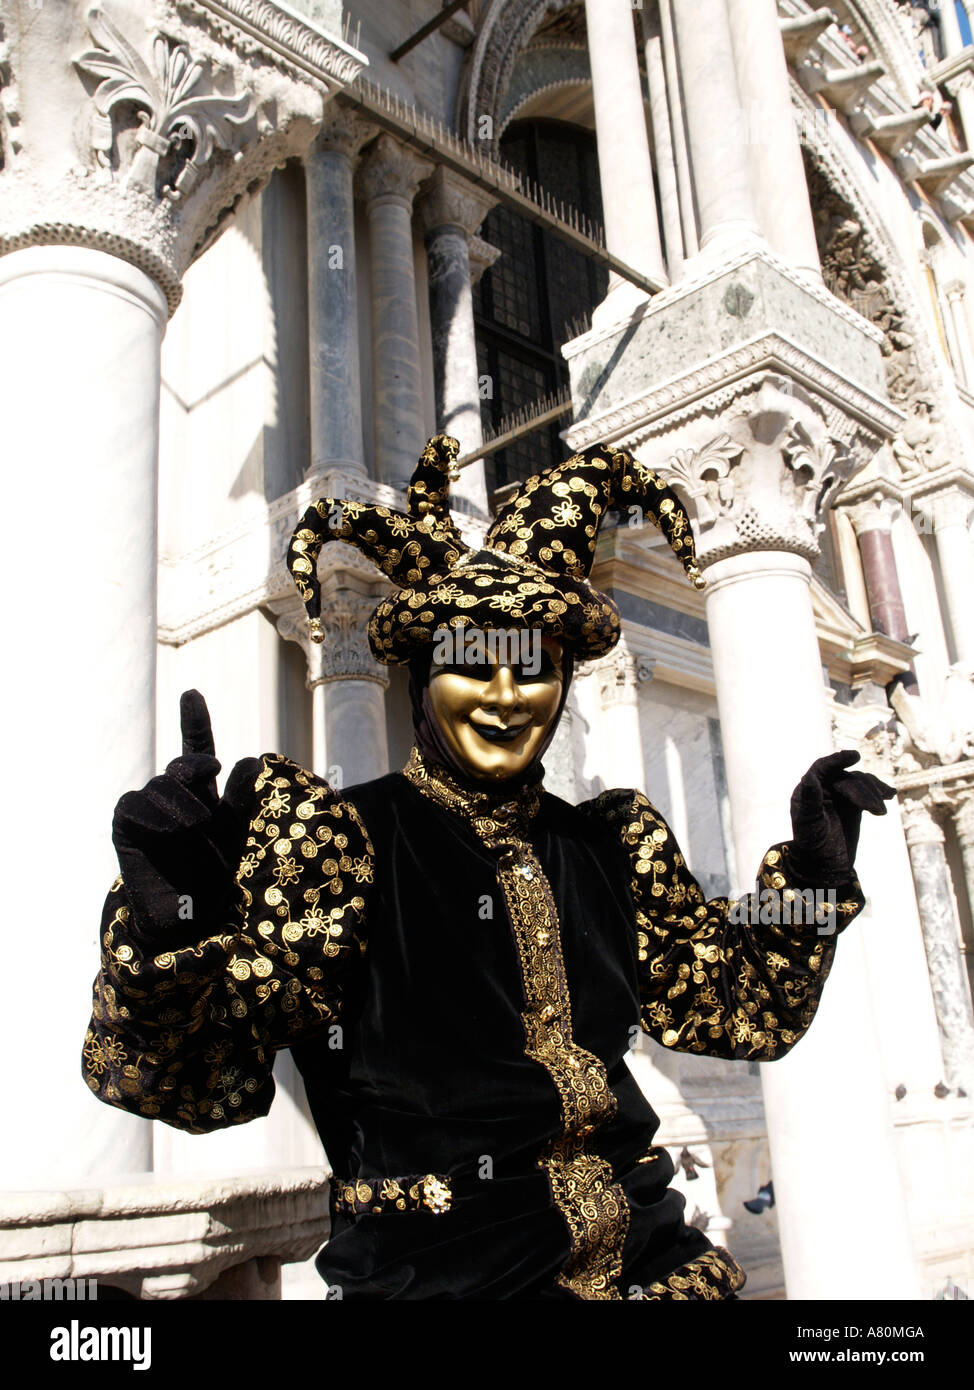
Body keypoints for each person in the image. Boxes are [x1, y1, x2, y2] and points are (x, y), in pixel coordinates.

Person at [83, 437, 893, 1300]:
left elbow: (736, 1008)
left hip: (661, 1272)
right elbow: (192, 1084)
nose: (505, 696)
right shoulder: (339, 847)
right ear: (424, 676)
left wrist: (809, 883)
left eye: (532, 667)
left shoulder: (609, 844)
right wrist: (172, 919)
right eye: (472, 662)